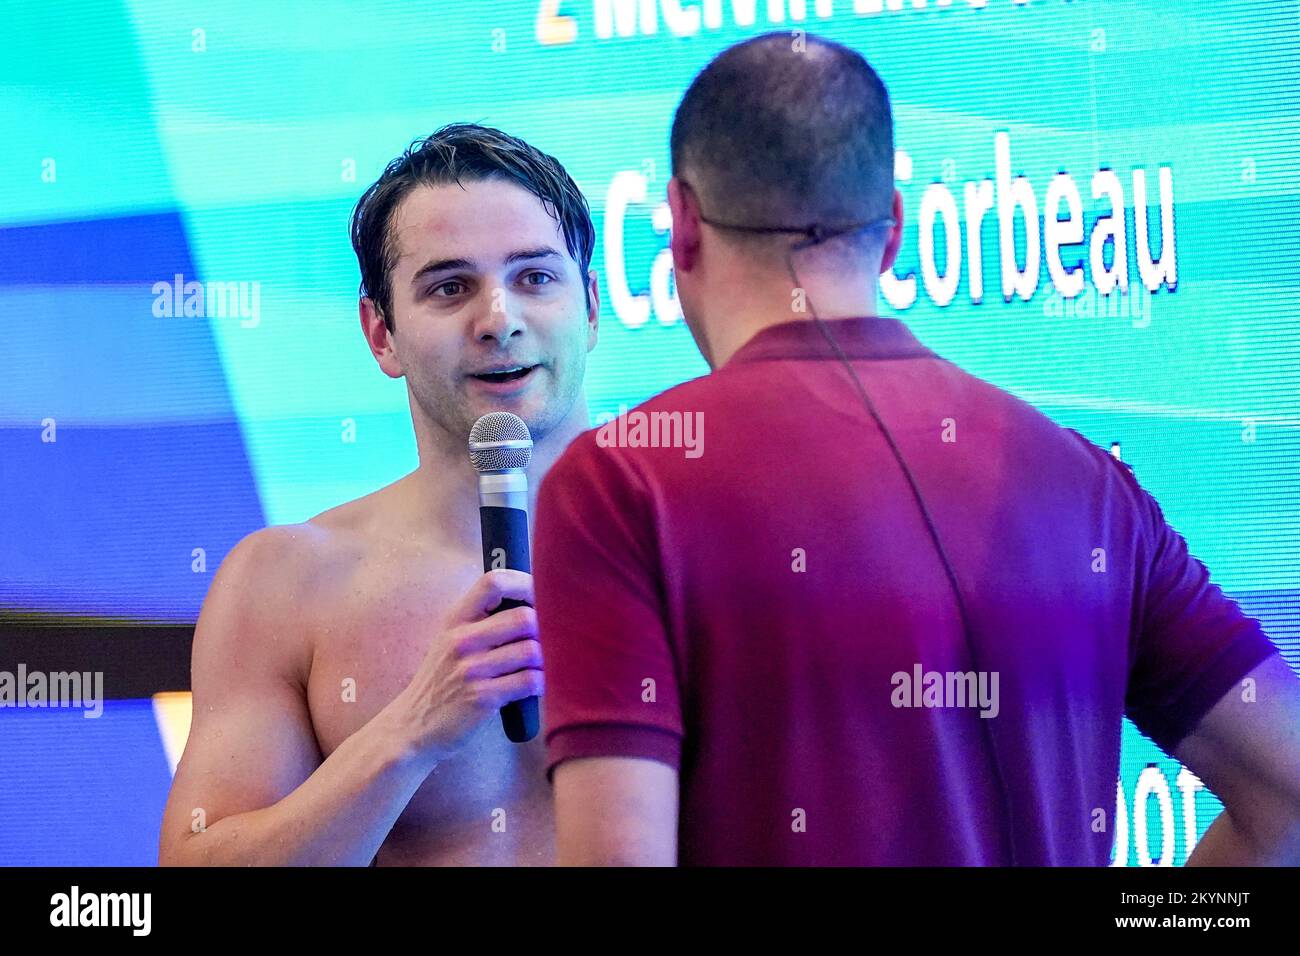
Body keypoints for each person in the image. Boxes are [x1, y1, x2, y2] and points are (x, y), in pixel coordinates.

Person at [532, 33, 1300, 866]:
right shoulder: (1086, 484)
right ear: (894, 229)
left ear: (679, 225)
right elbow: (1286, 794)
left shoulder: (621, 483)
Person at [159, 123, 599, 865]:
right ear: (381, 334)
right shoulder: (289, 583)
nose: (498, 320)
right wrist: (411, 731)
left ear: (589, 305)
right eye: (450, 287)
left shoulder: (708, 546)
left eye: (535, 277)